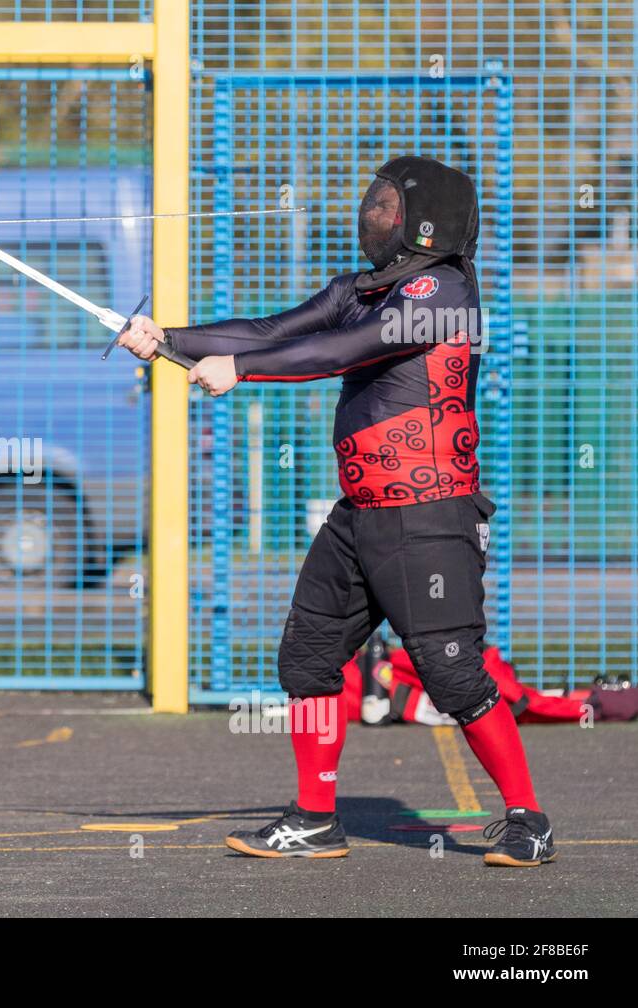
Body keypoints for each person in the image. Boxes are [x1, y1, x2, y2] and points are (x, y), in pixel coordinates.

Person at [119, 156, 556, 868]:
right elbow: (269, 331)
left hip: (430, 516)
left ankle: (527, 817)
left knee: (452, 676)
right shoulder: (363, 287)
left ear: (423, 222)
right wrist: (167, 339)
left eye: (387, 206)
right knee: (309, 657)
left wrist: (241, 372)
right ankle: (316, 819)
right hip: (360, 514)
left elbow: (338, 351)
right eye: (374, 203)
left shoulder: (442, 292)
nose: (372, 215)